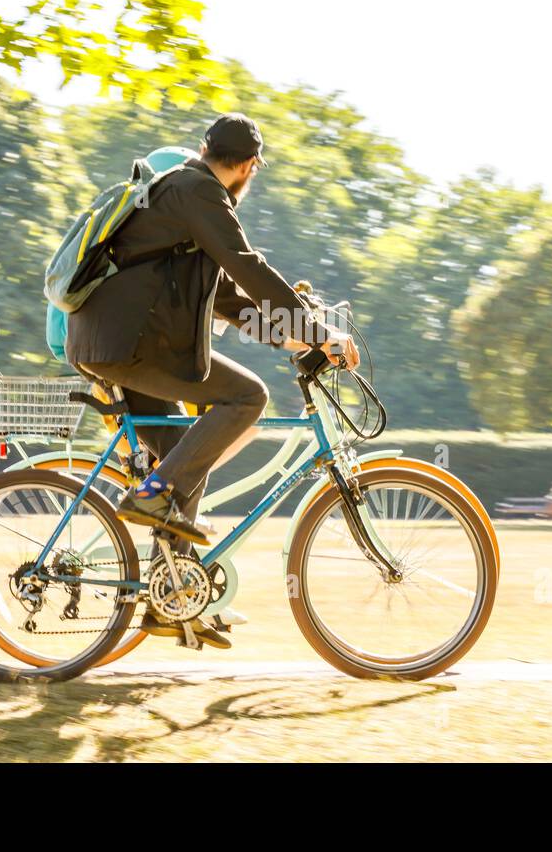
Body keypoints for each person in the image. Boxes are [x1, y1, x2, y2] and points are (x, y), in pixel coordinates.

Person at [66, 113, 359, 648]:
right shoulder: (198, 192)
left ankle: (167, 598)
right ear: (249, 166)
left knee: (186, 452)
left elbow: (228, 300)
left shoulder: (184, 194)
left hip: (119, 344)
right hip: (129, 346)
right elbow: (249, 267)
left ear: (206, 146)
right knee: (248, 396)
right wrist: (317, 330)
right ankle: (153, 493)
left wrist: (294, 338)